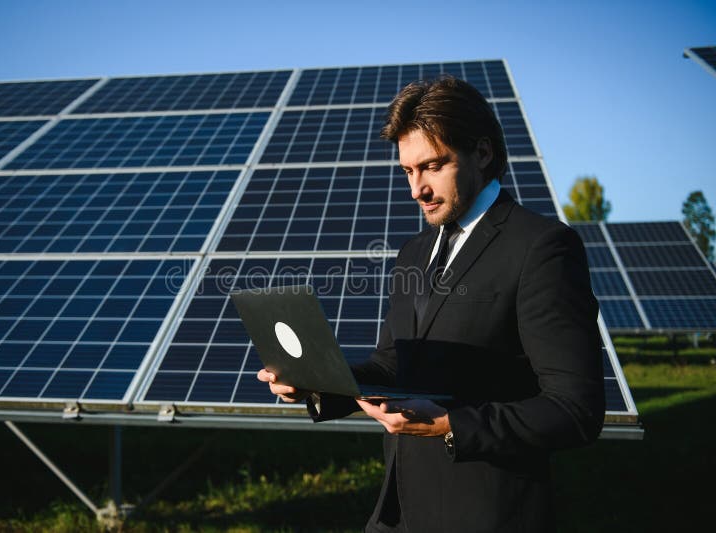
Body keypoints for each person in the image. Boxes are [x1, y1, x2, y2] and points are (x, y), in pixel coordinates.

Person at [257, 76, 604, 532]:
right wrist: (316, 382)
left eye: (433, 166)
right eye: (407, 170)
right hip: (397, 513)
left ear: (482, 153)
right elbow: (393, 364)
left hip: (485, 513)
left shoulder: (541, 247)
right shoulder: (414, 252)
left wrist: (451, 425)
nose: (416, 188)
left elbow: (575, 409)